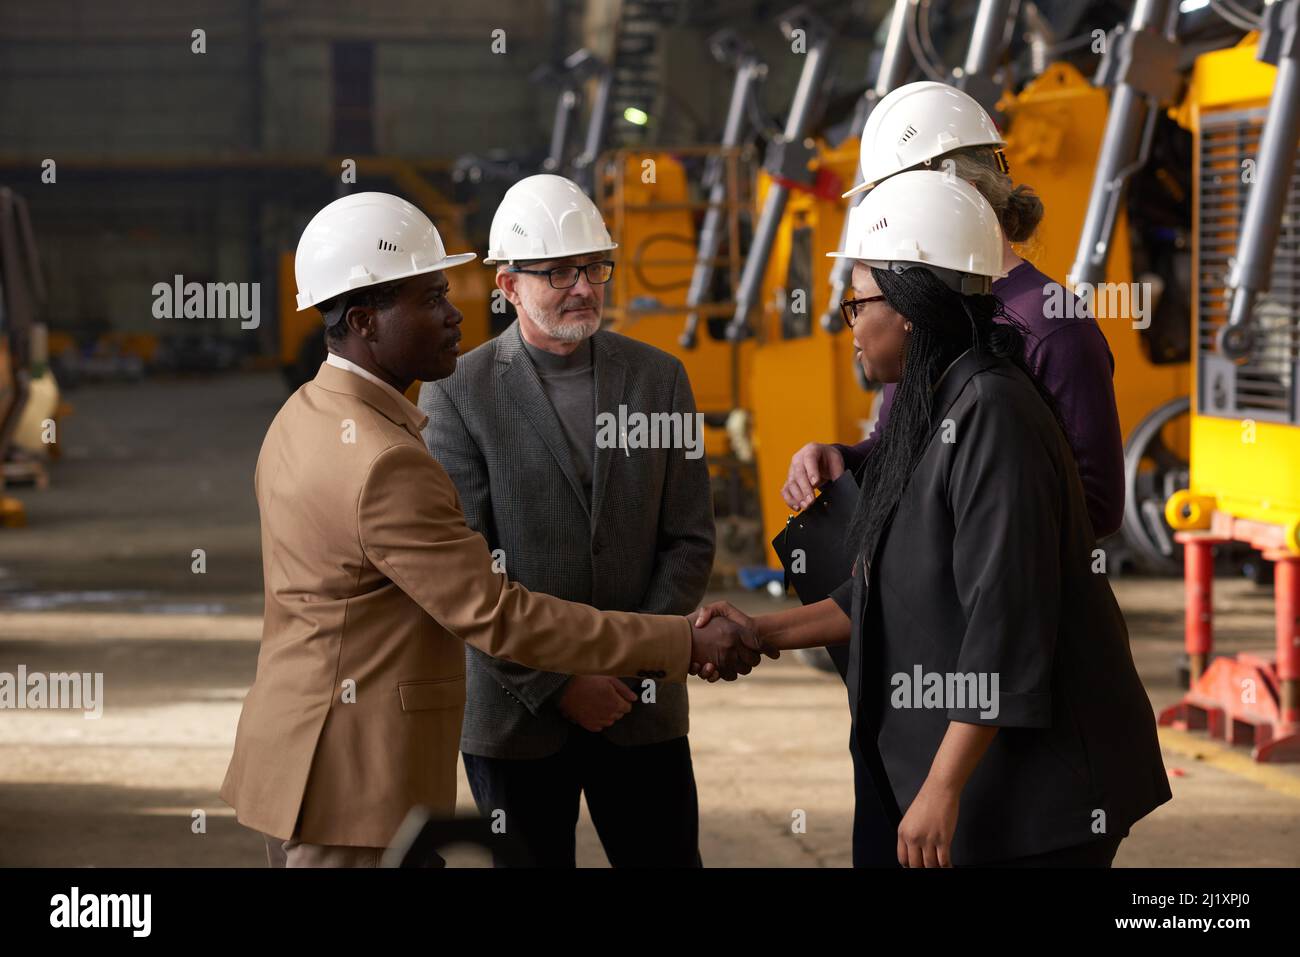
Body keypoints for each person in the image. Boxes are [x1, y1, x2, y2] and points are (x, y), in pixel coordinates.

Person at [220, 192, 760, 868]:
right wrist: (679, 639)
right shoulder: (386, 456)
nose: (454, 314)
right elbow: (494, 612)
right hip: (359, 780)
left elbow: (687, 535)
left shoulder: (305, 413)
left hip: (310, 761)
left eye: (594, 268)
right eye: (429, 299)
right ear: (364, 319)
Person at [697, 171, 1171, 867]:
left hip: (1042, 793)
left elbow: (1005, 621)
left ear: (913, 307)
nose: (849, 326)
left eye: (858, 304)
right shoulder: (928, 407)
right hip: (981, 770)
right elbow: (885, 593)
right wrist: (759, 631)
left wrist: (942, 784)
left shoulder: (991, 415)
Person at [421, 174, 715, 867]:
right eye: (557, 272)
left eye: (593, 268)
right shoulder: (456, 394)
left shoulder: (658, 378)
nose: (582, 287)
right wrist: (558, 682)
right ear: (508, 286)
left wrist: (631, 665)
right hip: (514, 717)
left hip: (642, 709)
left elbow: (690, 537)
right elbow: (465, 570)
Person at [785, 81, 1125, 541]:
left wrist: (963, 528)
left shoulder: (1053, 324)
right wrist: (846, 460)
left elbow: (1098, 508)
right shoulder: (926, 310)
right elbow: (904, 447)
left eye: (895, 194)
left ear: (959, 189)